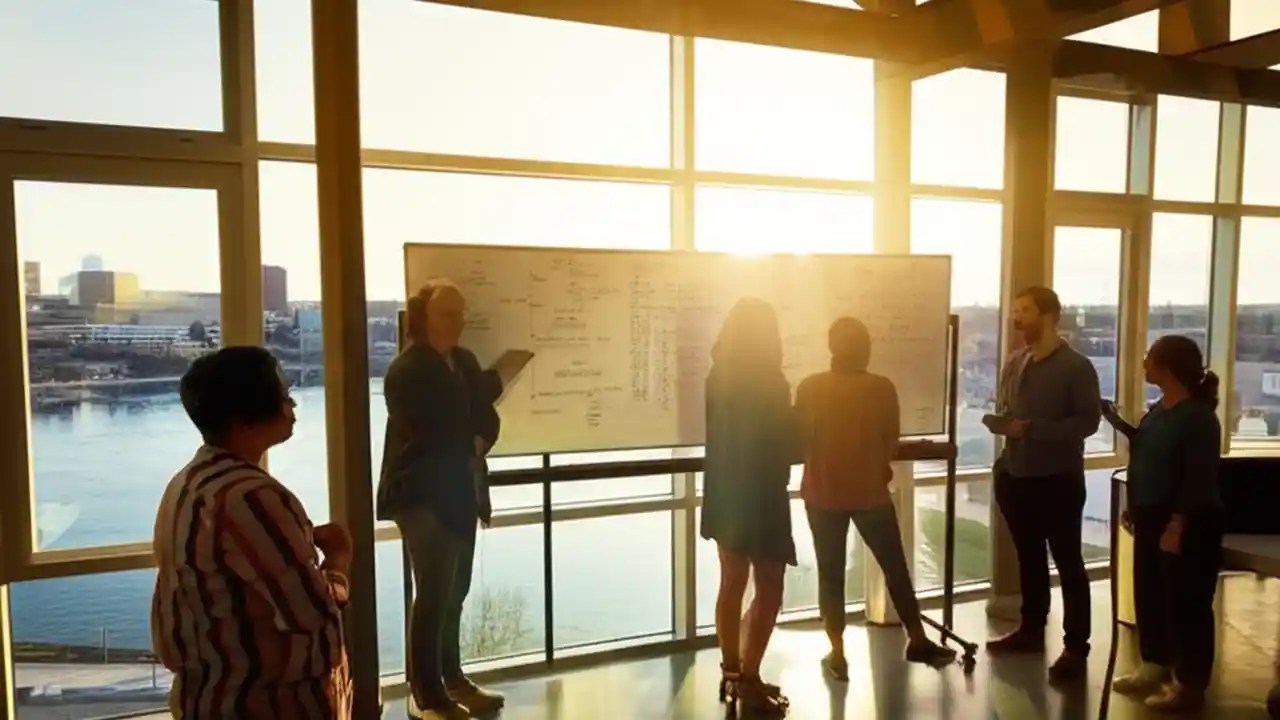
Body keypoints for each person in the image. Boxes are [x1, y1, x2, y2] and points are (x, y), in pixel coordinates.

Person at [152, 346, 352, 719]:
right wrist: (338, 560)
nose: (292, 405)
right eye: (282, 397)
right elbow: (309, 612)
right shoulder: (252, 497)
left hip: (212, 698)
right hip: (266, 705)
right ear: (244, 419)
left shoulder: (187, 483)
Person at [796, 317, 956, 681]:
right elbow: (890, 441)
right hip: (870, 493)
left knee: (830, 573)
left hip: (822, 493)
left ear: (832, 348)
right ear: (865, 350)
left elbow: (801, 438)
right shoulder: (882, 388)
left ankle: (837, 653)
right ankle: (917, 638)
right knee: (895, 567)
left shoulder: (810, 387)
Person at [377, 280, 503, 720]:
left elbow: (486, 414)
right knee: (433, 593)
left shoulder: (464, 362)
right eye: (448, 313)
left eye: (461, 312)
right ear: (422, 317)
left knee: (456, 592)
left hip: (460, 492)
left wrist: (478, 437)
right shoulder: (408, 370)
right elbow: (431, 429)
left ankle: (452, 680)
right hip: (421, 494)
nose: (458, 321)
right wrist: (468, 437)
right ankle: (426, 695)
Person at [986, 286, 1101, 683]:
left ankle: (1075, 646)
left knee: (1068, 563)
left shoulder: (1076, 367)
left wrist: (1033, 429)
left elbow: (1087, 423)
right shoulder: (1015, 362)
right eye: (1015, 311)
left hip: (1058, 480)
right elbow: (1007, 412)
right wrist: (1004, 429)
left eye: (1025, 311)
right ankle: (1031, 631)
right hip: (1015, 477)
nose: (1016, 318)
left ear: (1049, 315)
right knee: (1029, 560)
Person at [1103, 335, 1223, 712]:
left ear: (1166, 366)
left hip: (1186, 521)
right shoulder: (1160, 410)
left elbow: (1197, 476)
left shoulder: (1198, 417)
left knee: (1186, 603)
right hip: (1152, 514)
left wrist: (1176, 525)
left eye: (1149, 357)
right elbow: (1146, 450)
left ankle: (1189, 685)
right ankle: (1154, 664)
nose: (1143, 362)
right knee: (1152, 595)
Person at [702, 298, 796, 717]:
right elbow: (781, 443)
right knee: (770, 586)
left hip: (725, 489)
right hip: (761, 492)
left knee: (731, 581)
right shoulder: (772, 383)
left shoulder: (716, 376)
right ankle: (752, 679)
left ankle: (732, 671)